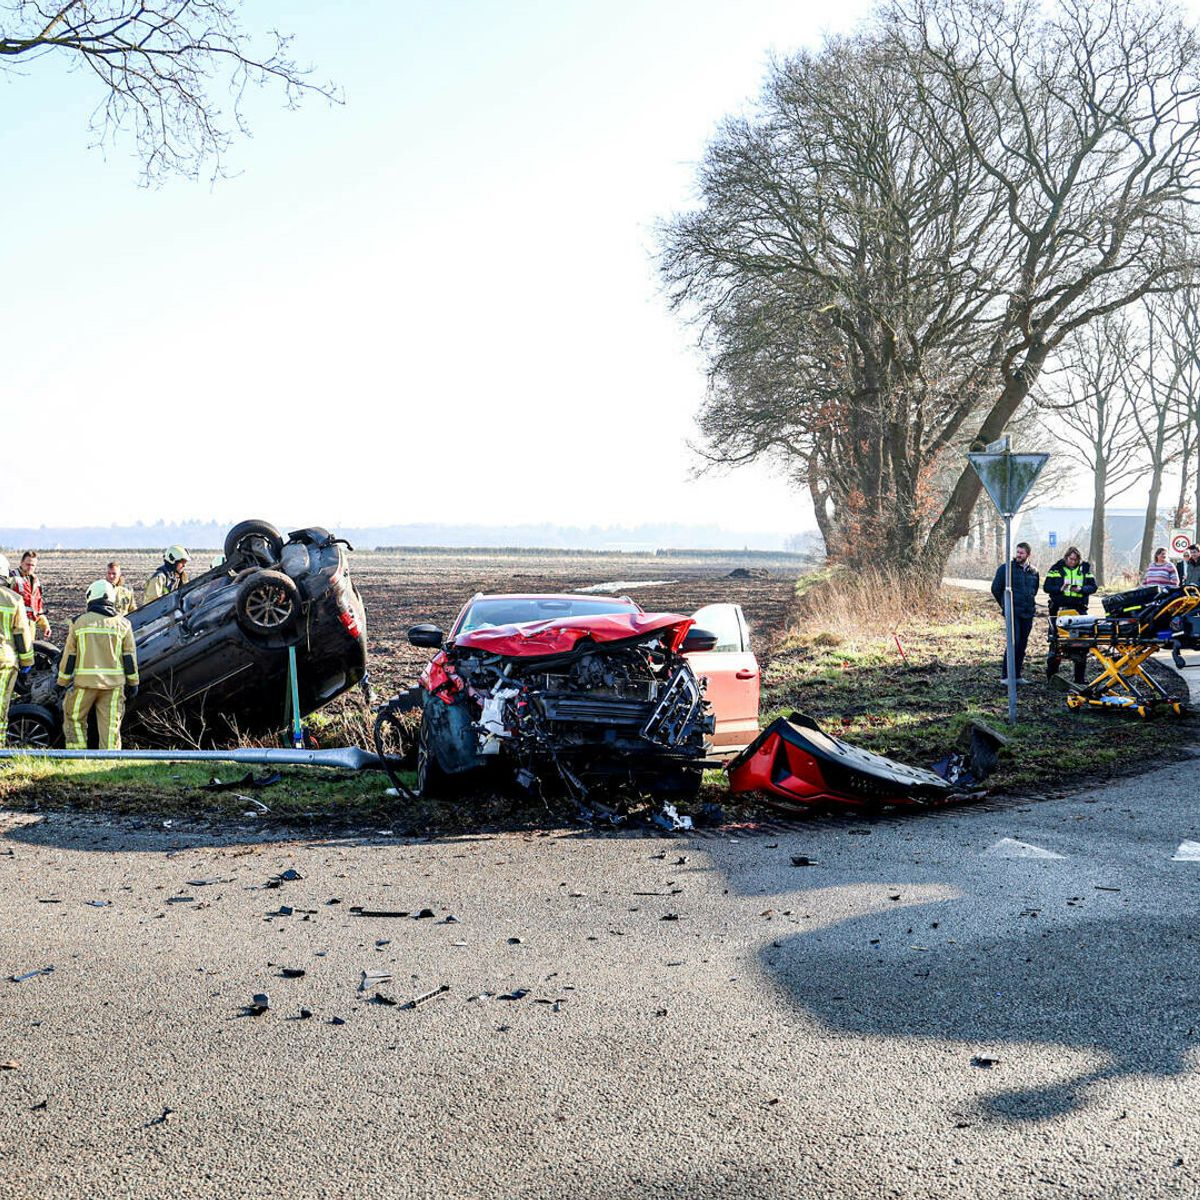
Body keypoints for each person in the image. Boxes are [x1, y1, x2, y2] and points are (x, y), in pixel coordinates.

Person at [56, 580, 139, 751]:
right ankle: (109, 765)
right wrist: (133, 683)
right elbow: (129, 658)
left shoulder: (79, 623)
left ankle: (76, 759)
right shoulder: (123, 624)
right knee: (110, 728)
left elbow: (70, 657)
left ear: (91, 597)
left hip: (84, 685)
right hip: (113, 686)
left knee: (74, 719)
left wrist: (61, 683)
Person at [1043, 546, 1097, 684]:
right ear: (1066, 557)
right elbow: (1046, 587)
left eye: (1075, 559)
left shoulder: (1084, 569)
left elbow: (1093, 587)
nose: (1072, 561)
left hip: (1079, 610)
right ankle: (1051, 677)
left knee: (1083, 644)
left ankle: (1079, 679)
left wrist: (1081, 589)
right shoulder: (1056, 568)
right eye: (1070, 559)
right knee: (1056, 643)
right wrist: (1060, 589)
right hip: (1059, 609)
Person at [990, 541, 1039, 682]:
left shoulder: (1034, 572)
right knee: (1013, 642)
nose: (1018, 555)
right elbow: (995, 588)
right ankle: (1006, 676)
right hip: (1013, 613)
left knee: (1022, 644)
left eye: (1021, 553)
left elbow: (1034, 590)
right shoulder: (1006, 569)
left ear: (1028, 555)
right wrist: (1005, 605)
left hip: (1028, 612)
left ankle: (1017, 676)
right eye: (1017, 552)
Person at [0, 554, 35, 747]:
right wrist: (27, 663)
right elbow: (22, 634)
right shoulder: (14, 600)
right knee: (0, 706)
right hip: (4, 660)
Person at [10, 550, 51, 640]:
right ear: (21, 562)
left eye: (33, 565)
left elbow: (37, 606)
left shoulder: (35, 581)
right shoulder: (11, 578)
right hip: (14, 627)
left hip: (30, 627)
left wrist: (44, 625)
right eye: (27, 564)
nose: (30, 567)